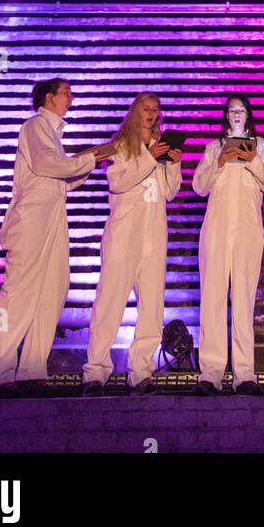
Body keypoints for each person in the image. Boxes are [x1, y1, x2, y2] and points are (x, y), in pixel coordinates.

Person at [0, 78, 115, 396]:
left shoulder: (53, 136)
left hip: (53, 221)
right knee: (17, 295)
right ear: (49, 97)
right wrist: (89, 158)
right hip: (30, 222)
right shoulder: (34, 126)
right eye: (67, 92)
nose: (72, 97)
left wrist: (88, 162)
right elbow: (48, 165)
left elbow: (60, 180)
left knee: (52, 291)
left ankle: (32, 370)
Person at [82, 93, 182, 396]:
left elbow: (169, 192)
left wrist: (173, 164)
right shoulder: (120, 146)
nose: (151, 114)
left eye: (155, 110)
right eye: (145, 109)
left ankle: (141, 373)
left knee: (152, 307)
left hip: (154, 235)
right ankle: (95, 373)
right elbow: (118, 183)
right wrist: (150, 157)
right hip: (124, 235)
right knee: (110, 303)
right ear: (135, 112)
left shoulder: (160, 147)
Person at [192, 94, 264, 395]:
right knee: (213, 298)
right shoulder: (212, 147)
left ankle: (245, 374)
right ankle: (211, 373)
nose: (236, 115)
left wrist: (252, 160)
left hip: (247, 229)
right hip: (216, 229)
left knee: (244, 300)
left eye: (241, 110)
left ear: (248, 114)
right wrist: (218, 162)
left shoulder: (261, 146)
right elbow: (198, 186)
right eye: (232, 110)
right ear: (226, 115)